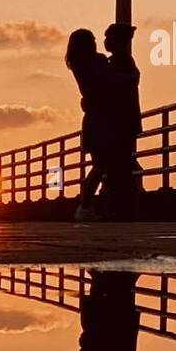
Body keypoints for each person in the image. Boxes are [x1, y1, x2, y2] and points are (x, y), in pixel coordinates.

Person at [65, 28, 111, 220]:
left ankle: (85, 206)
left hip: (91, 119)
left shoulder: (77, 64)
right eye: (92, 39)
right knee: (103, 164)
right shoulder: (98, 61)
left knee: (99, 164)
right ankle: (84, 206)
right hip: (103, 118)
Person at [100, 23, 142, 220]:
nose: (106, 41)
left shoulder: (120, 63)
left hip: (119, 121)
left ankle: (120, 207)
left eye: (110, 38)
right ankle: (122, 204)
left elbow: (116, 87)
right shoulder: (123, 62)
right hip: (124, 121)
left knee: (119, 164)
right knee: (121, 162)